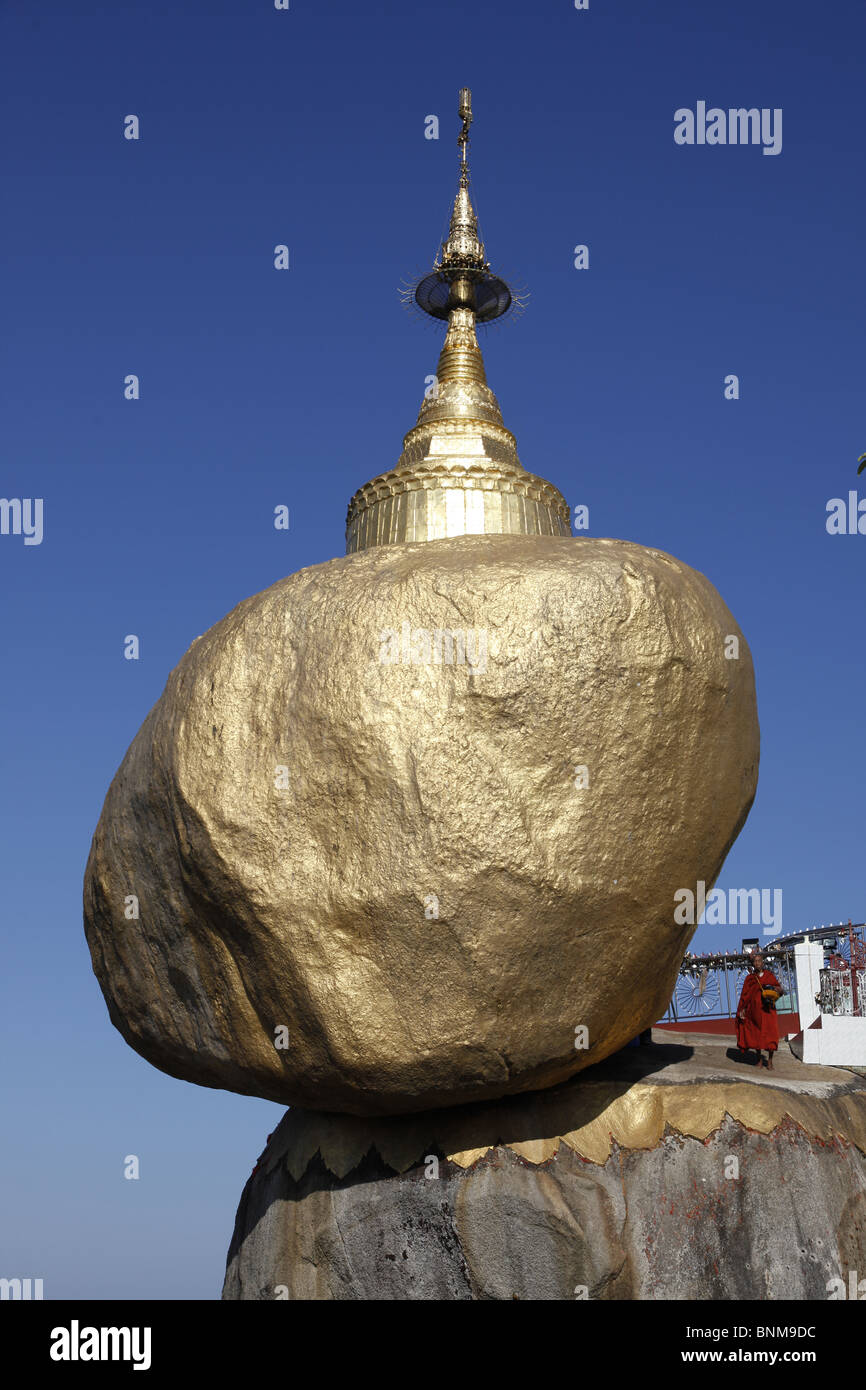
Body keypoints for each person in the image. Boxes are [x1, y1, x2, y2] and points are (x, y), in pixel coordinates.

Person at [735, 951, 781, 1069]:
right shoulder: (749, 978)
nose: (757, 963)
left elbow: (780, 990)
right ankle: (759, 1060)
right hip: (754, 1011)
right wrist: (742, 1009)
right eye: (755, 961)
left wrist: (775, 989)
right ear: (753, 964)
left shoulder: (769, 975)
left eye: (759, 961)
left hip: (768, 1009)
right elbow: (744, 996)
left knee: (771, 1034)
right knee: (757, 1035)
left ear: (763, 962)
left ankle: (770, 1061)